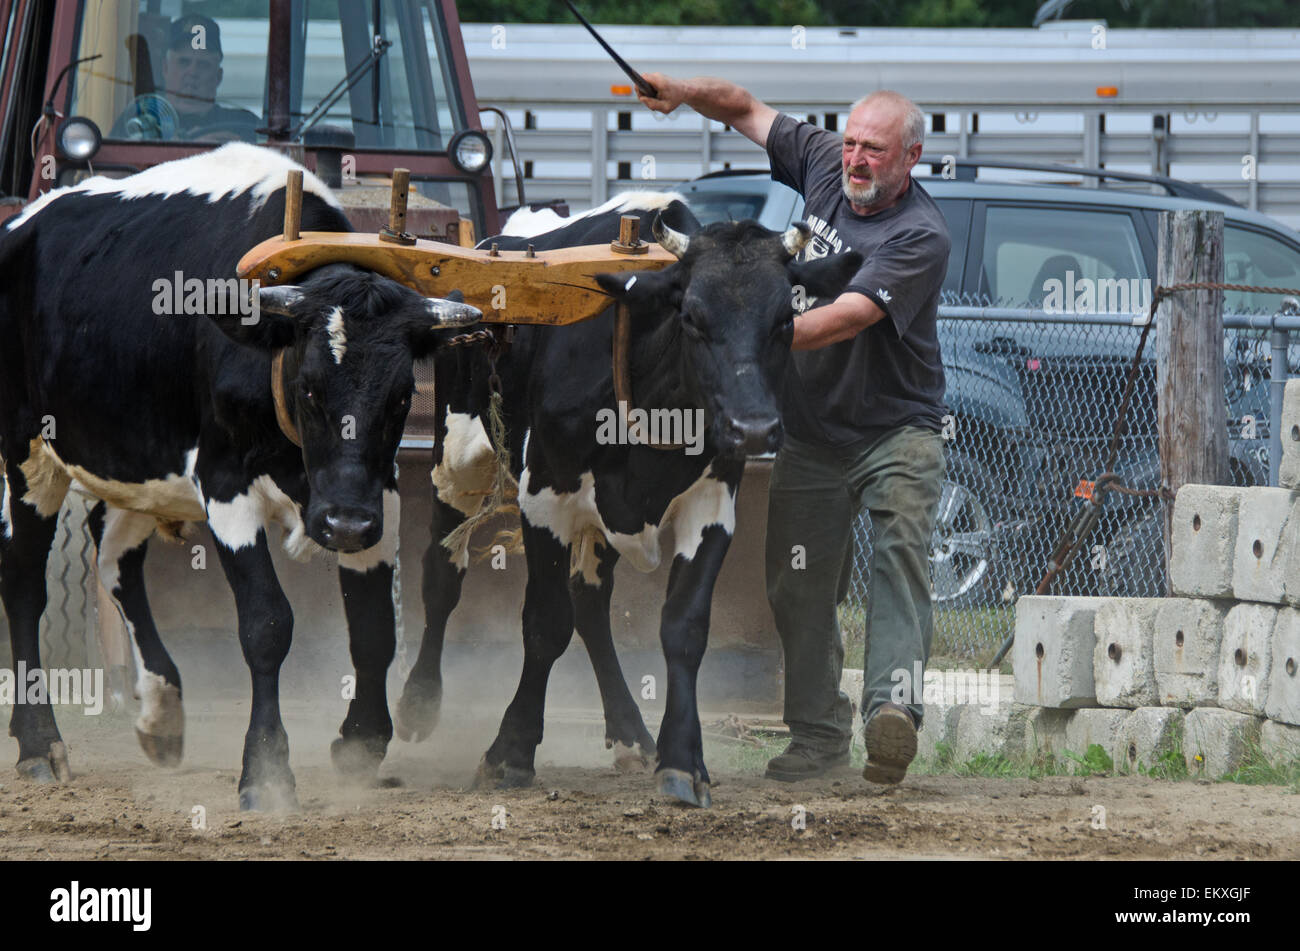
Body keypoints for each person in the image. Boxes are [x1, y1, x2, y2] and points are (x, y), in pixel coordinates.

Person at [637, 75, 950, 785]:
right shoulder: (820, 163)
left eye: (875, 149)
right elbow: (745, 108)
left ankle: (890, 714)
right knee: (797, 583)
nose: (857, 160)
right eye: (852, 144)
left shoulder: (919, 235)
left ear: (912, 157)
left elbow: (848, 316)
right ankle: (816, 736)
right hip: (810, 431)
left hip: (896, 430)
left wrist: (740, 332)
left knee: (899, 551)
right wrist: (680, 91)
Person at [111, 14, 258, 142]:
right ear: (165, 68)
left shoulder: (243, 125)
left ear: (218, 76)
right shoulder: (140, 121)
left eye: (203, 64)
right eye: (183, 62)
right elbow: (108, 172)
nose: (192, 71)